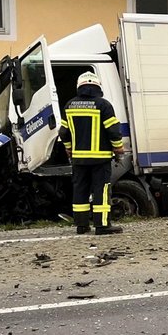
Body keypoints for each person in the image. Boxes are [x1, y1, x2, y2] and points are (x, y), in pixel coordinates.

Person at [58, 71, 125, 234]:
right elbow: (113, 131)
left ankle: (81, 225)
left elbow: (64, 132)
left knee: (80, 189)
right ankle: (102, 225)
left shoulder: (69, 105)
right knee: (100, 190)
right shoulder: (104, 105)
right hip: (100, 159)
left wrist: (68, 148)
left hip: (79, 159)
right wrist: (118, 148)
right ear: (97, 86)